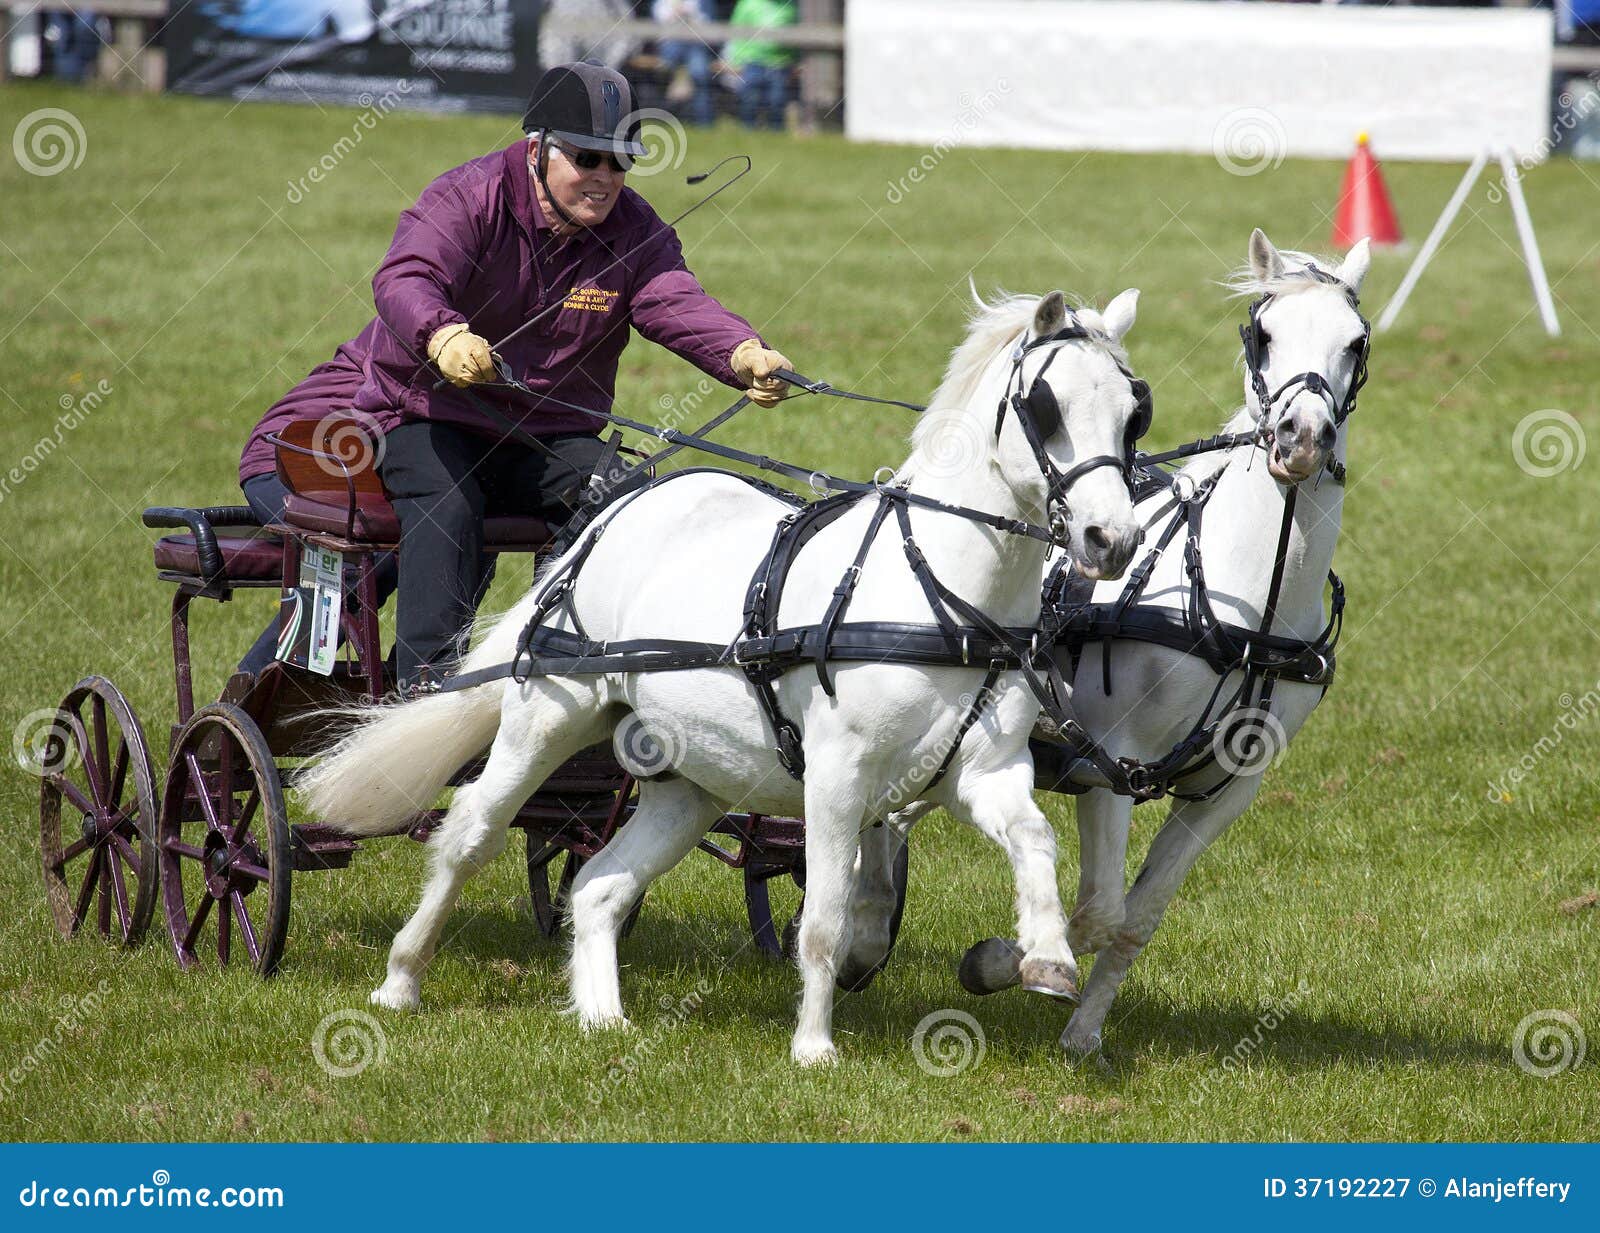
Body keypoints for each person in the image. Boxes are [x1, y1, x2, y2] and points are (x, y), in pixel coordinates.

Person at [236, 61, 793, 692]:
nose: (605, 177)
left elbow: (675, 299)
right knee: (435, 518)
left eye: (621, 162)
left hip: (536, 435)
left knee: (617, 491)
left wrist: (741, 351)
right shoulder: (470, 196)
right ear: (538, 150)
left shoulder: (635, 230)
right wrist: (443, 335)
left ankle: (558, 683)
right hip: (418, 414)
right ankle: (423, 698)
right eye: (588, 157)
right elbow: (405, 278)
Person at [723, 0, 795, 131]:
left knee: (777, 100)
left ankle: (776, 133)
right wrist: (735, 61)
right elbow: (736, 33)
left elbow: (798, 35)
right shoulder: (747, 4)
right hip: (751, 62)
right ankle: (747, 130)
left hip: (780, 63)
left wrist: (797, 61)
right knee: (749, 98)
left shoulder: (790, 6)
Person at [653, 0, 715, 126]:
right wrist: (675, 15)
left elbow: (709, 27)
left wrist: (690, 16)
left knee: (699, 74)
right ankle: (663, 117)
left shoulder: (704, 3)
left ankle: (703, 122)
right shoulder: (661, 3)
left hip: (696, 44)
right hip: (671, 44)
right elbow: (657, 24)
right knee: (665, 70)